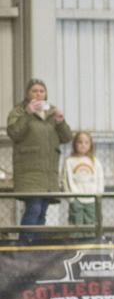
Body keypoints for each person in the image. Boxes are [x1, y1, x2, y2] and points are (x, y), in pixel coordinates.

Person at [6, 79, 74, 240]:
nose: (38, 94)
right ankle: (24, 246)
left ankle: (36, 247)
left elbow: (67, 137)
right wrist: (27, 114)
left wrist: (61, 122)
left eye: (41, 91)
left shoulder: (52, 112)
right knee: (34, 208)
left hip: (48, 174)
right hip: (29, 173)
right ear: (27, 94)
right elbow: (14, 133)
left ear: (46, 94)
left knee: (42, 211)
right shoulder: (19, 111)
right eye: (34, 91)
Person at [61, 131, 105, 230]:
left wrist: (98, 196)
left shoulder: (95, 162)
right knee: (76, 227)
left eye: (86, 142)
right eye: (80, 142)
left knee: (92, 226)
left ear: (90, 145)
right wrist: (71, 199)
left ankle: (91, 240)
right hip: (76, 200)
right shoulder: (69, 161)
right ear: (75, 144)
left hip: (92, 200)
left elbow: (100, 180)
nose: (83, 145)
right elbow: (65, 181)